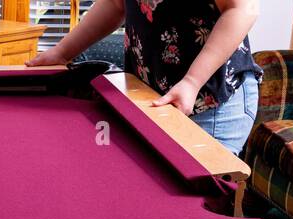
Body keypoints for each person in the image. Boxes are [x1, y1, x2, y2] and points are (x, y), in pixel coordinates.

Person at [28, 0, 261, 155]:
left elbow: (242, 9)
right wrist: (61, 52)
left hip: (211, 102)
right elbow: (116, 3)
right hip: (152, 96)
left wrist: (192, 81)